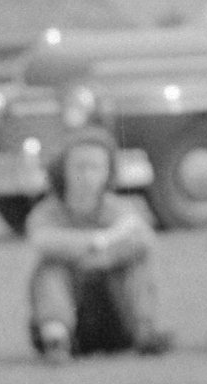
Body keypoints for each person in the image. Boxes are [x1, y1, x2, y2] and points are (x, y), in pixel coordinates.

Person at [23, 126, 171, 359]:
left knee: (136, 264)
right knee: (50, 270)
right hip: (73, 319)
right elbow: (43, 242)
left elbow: (142, 240)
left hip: (115, 314)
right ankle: (56, 338)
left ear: (108, 172)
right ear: (64, 171)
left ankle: (146, 330)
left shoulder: (119, 209)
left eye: (95, 167)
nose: (87, 175)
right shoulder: (48, 212)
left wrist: (89, 256)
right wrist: (100, 240)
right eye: (80, 167)